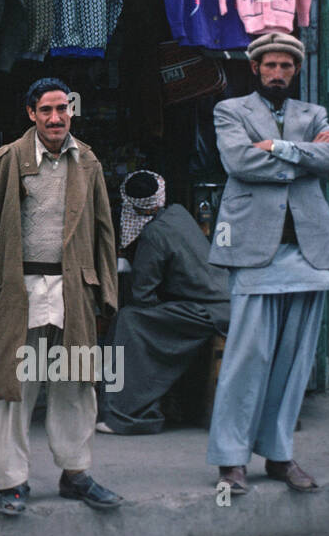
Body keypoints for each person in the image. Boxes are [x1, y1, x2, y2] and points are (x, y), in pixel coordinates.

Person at [0, 77, 122, 519]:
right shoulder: (8, 160)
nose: (55, 118)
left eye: (62, 109)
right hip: (21, 291)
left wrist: (106, 291)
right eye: (46, 110)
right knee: (16, 390)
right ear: (31, 114)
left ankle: (76, 474)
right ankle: (12, 483)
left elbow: (104, 231)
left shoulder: (86, 160)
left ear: (71, 111)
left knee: (75, 385)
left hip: (72, 288)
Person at [207, 33, 329, 495]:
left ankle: (280, 455)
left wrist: (279, 147)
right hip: (254, 248)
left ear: (296, 70)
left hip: (308, 250)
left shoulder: (313, 114)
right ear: (256, 68)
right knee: (247, 357)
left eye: (287, 66)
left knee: (294, 360)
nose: (278, 74)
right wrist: (307, 157)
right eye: (271, 66)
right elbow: (239, 162)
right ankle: (231, 460)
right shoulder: (231, 110)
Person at [96, 170, 230, 435]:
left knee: (129, 322)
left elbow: (142, 296)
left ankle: (127, 414)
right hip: (225, 303)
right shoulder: (178, 212)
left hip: (208, 311)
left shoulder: (153, 234)